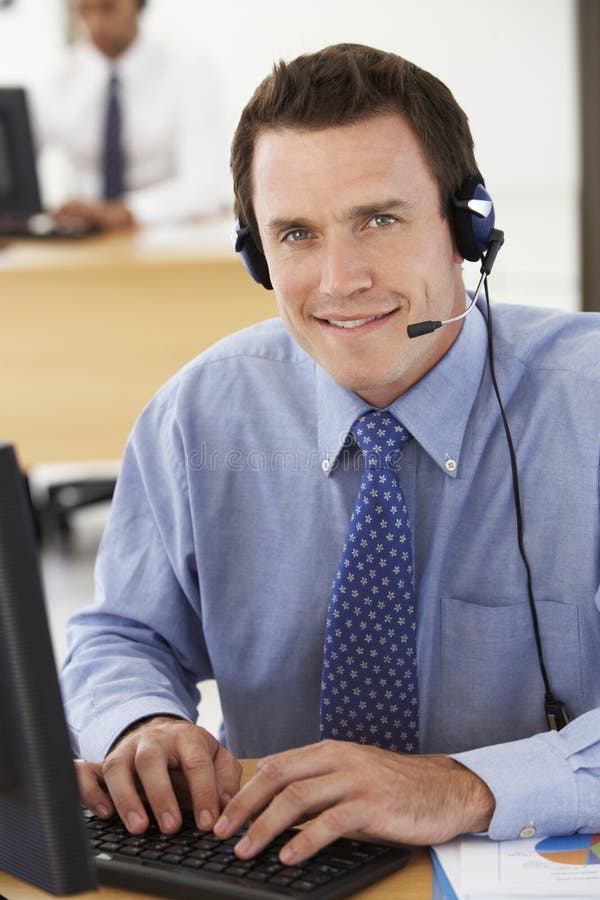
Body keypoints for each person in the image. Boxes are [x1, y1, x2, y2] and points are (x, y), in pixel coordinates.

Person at [63, 43, 600, 866]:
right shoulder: (200, 413)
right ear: (256, 254)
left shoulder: (586, 404)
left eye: (379, 220)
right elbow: (122, 634)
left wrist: (462, 785)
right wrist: (143, 724)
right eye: (297, 235)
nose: (339, 280)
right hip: (273, 872)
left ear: (467, 227)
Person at [30, 0, 229, 231]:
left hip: (167, 235)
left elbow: (208, 189)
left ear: (137, 5)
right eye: (83, 11)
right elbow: (18, 165)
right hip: (84, 241)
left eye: (107, 8)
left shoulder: (188, 71)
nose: (95, 23)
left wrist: (125, 212)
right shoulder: (57, 77)